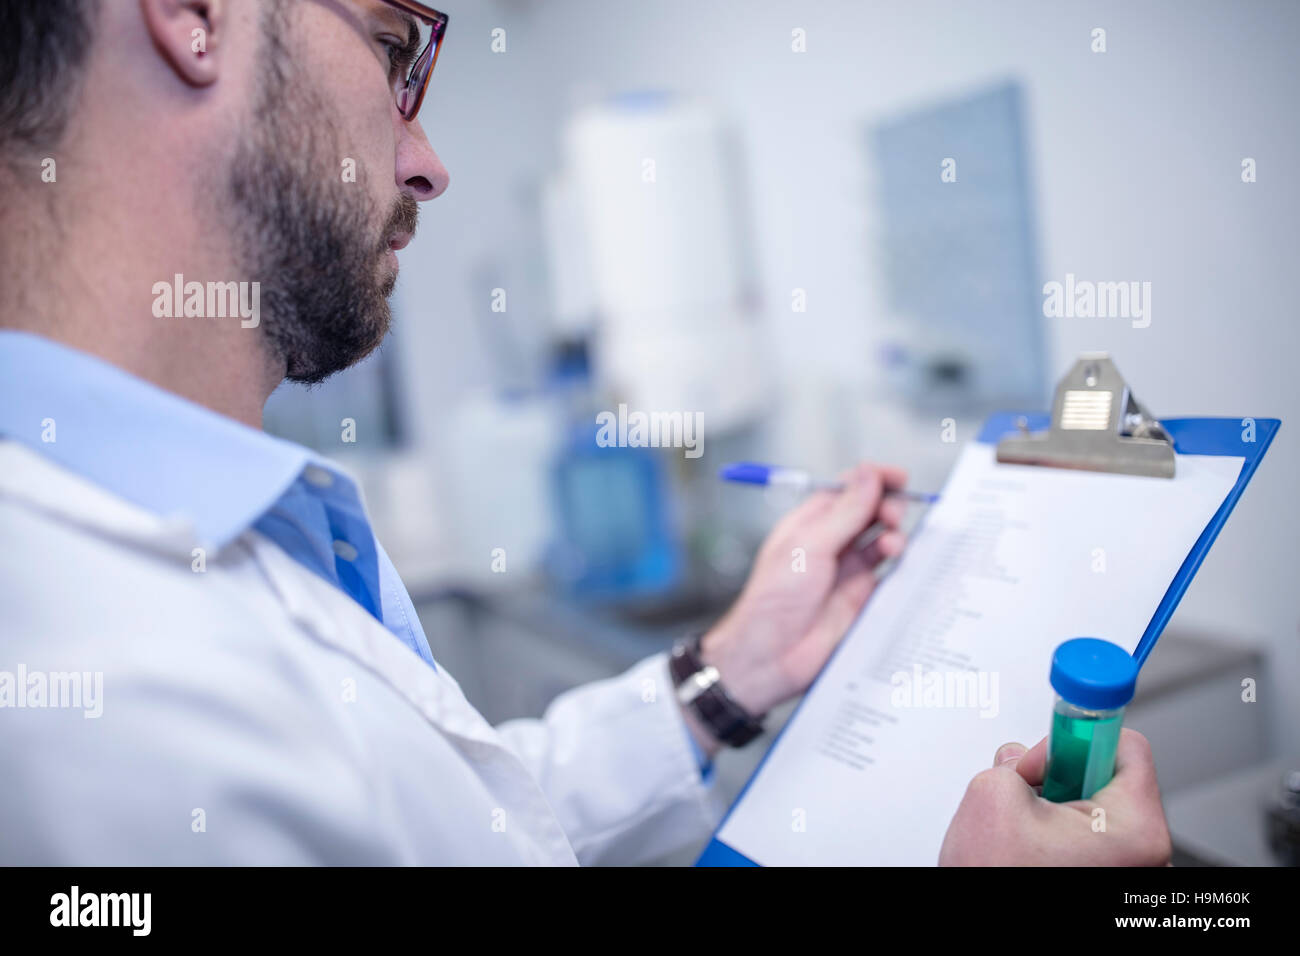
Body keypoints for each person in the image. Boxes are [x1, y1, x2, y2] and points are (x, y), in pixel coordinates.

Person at [0, 0, 1172, 866]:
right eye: (394, 47)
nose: (428, 160)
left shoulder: (205, 541)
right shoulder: (90, 711)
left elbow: (473, 833)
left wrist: (725, 673)